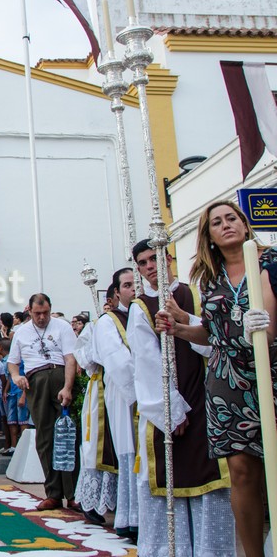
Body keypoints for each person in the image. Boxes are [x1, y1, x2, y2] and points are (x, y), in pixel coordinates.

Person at [162, 201, 271, 556]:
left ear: (244, 223)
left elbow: (266, 326)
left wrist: (263, 327)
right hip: (228, 381)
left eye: (232, 218)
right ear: (207, 235)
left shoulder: (269, 261)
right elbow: (212, 333)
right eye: (217, 222)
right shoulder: (210, 278)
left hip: (270, 371)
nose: (226, 225)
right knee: (241, 470)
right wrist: (181, 327)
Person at [129, 237, 233, 556]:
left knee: (210, 476)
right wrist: (170, 411)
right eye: (142, 263)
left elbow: (214, 340)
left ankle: (211, 549)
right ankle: (168, 549)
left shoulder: (196, 294)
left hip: (205, 398)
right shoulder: (141, 307)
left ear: (168, 257)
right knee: (166, 477)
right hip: (170, 405)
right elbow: (145, 364)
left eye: (153, 259)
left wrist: (186, 319)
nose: (149, 267)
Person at [8, 293, 78, 511]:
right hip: (36, 382)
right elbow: (12, 363)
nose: (42, 317)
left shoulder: (62, 327)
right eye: (37, 313)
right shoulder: (21, 332)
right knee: (45, 438)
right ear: (29, 311)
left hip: (59, 377)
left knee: (67, 436)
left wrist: (67, 387)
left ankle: (73, 493)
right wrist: (16, 377)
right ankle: (53, 492)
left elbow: (70, 358)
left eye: (45, 313)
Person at [92, 268, 138, 539]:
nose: (134, 289)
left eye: (137, 284)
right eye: (128, 285)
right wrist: (142, 392)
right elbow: (115, 359)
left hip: (154, 393)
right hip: (127, 393)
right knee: (130, 450)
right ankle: (130, 516)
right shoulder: (109, 321)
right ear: (117, 292)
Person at [72, 310, 117, 527]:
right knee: (96, 446)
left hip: (123, 389)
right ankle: (91, 502)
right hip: (102, 387)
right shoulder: (97, 326)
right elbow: (83, 355)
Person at [0, 339, 27, 452]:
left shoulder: (23, 360)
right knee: (12, 420)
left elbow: (27, 376)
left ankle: (23, 447)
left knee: (22, 420)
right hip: (12, 392)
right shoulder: (9, 361)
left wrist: (24, 394)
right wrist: (6, 390)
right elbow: (10, 376)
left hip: (20, 391)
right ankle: (13, 446)